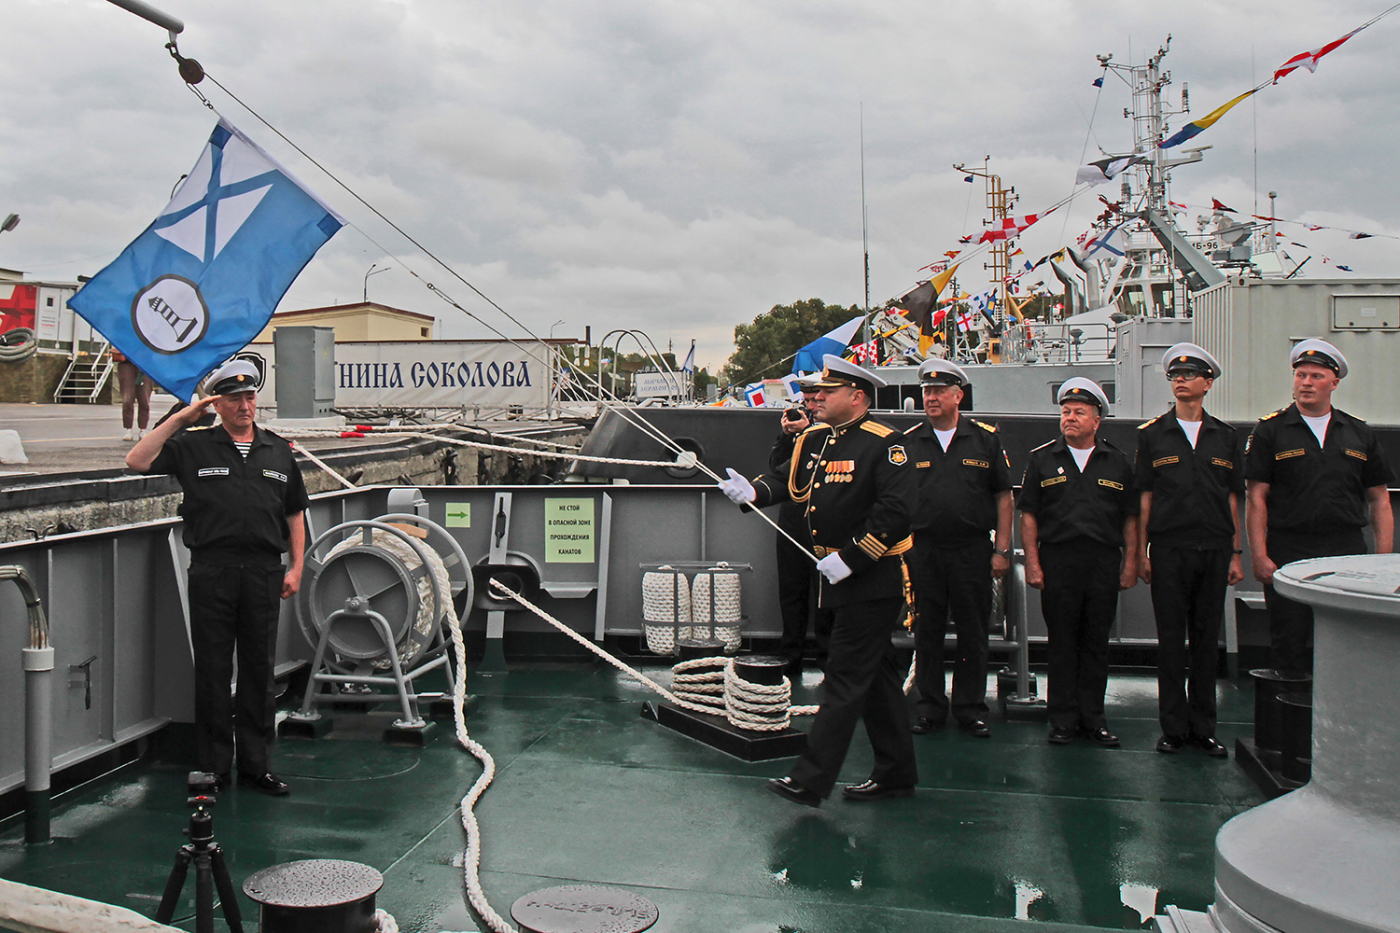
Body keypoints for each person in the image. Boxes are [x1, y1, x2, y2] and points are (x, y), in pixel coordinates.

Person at [719, 354, 917, 807]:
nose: (818, 397)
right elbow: (788, 486)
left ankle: (811, 779)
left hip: (870, 577)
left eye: (829, 390)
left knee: (844, 676)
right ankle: (897, 773)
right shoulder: (812, 440)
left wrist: (851, 559)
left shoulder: (887, 445)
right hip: (831, 575)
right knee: (881, 681)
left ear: (858, 397)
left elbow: (896, 512)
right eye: (819, 390)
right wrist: (751, 492)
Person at [126, 360, 309, 796]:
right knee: (211, 669)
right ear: (218, 403)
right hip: (213, 570)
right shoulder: (194, 447)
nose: (244, 405)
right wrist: (181, 418)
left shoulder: (278, 450)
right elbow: (137, 460)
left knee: (259, 671)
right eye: (234, 398)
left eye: (249, 397)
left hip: (265, 571)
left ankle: (256, 767)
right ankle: (212, 768)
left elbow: (294, 512)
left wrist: (298, 565)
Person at [1245, 339, 1393, 676]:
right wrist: (1259, 555)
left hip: (1345, 550)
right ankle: (1290, 722)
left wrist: (1382, 561)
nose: (1306, 383)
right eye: (1300, 375)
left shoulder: (1358, 433)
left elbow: (1379, 498)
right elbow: (1256, 498)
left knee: (1347, 641)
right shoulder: (1271, 431)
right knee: (1289, 640)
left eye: (1315, 376)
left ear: (1334, 382)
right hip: (1289, 548)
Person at [1135, 344, 1242, 758]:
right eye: (1176, 375)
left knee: (1204, 640)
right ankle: (1173, 728)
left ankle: (1204, 727)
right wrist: (1142, 553)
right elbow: (1145, 496)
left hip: (1214, 549)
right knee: (1169, 640)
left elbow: (1233, 497)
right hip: (1168, 548)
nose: (1180, 379)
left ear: (1207, 383)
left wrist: (1235, 552)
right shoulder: (1152, 435)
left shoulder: (1227, 437)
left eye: (1190, 374)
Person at [1018, 377, 1138, 747]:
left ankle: (1094, 719)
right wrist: (1034, 564)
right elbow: (1029, 518)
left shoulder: (1117, 462)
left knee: (1095, 642)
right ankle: (1063, 720)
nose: (1070, 417)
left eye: (1079, 412)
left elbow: (1131, 518)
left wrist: (1131, 562)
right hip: (1058, 560)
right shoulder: (1041, 460)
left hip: (1102, 561)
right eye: (1065, 411)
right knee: (1062, 643)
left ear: (1097, 420)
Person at [902, 357, 1012, 738]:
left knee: (973, 631)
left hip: (971, 550)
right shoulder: (910, 442)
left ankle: (969, 708)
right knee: (927, 631)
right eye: (926, 391)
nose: (930, 398)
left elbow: (1004, 497)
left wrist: (1002, 550)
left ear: (957, 395)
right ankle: (930, 707)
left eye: (938, 391)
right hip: (925, 550)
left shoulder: (984, 439)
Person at [768, 374, 832, 675]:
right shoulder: (798, 434)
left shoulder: (832, 432)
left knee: (825, 598)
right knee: (791, 593)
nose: (809, 408)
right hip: (793, 521)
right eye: (804, 403)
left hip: (823, 523)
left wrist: (810, 432)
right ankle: (789, 657)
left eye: (813, 402)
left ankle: (827, 658)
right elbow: (777, 468)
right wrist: (786, 435)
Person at [112, 347, 154, 442]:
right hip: (126, 362)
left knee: (144, 399)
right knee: (127, 399)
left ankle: (142, 429)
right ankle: (128, 429)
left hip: (144, 363)